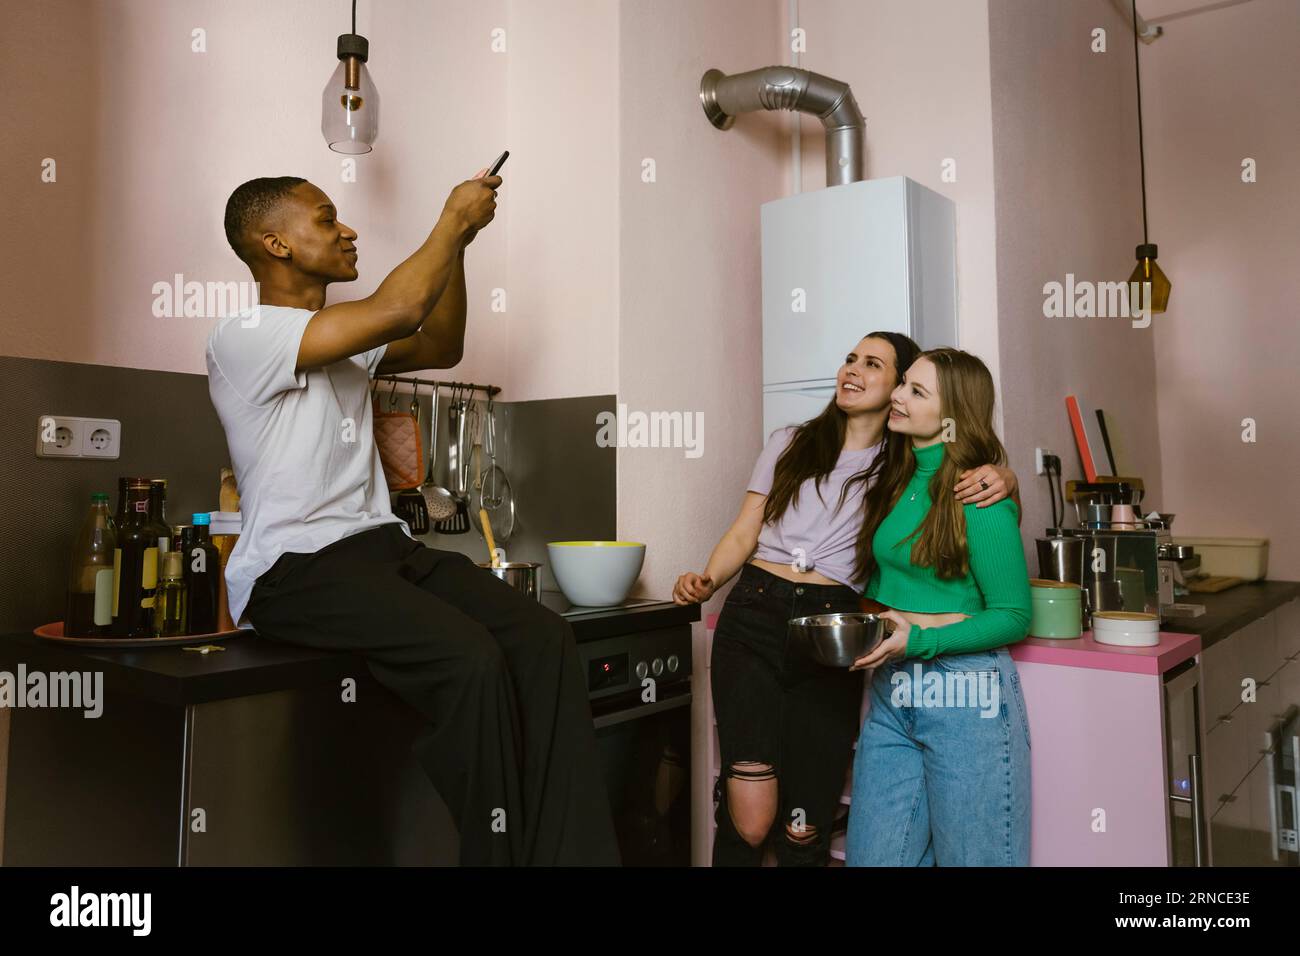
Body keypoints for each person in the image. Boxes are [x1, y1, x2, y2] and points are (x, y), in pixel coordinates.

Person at [206, 172, 619, 866]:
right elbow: (401, 309)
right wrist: (450, 222)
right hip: (294, 570)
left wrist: (460, 246)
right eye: (327, 219)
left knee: (544, 641)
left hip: (378, 550)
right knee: (472, 660)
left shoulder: (340, 341)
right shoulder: (245, 336)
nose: (349, 231)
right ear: (274, 242)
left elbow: (440, 342)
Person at [673, 332, 1021, 866]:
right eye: (850, 359)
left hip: (844, 628)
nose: (854, 370)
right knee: (753, 810)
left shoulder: (899, 463)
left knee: (808, 819)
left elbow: (962, 468)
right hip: (777, 614)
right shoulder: (798, 443)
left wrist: (1005, 477)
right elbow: (747, 527)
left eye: (882, 369)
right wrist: (710, 578)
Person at [845, 347, 1032, 866]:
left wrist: (923, 637)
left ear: (951, 418)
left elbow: (1015, 616)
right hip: (892, 695)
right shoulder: (898, 478)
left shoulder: (978, 492)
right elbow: (891, 585)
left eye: (916, 391)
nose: (898, 396)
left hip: (967, 698)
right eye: (903, 382)